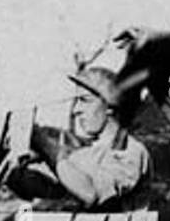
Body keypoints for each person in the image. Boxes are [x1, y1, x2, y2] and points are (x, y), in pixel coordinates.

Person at [8, 66, 152, 212]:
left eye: (85, 100)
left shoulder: (130, 151)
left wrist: (46, 146)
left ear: (109, 106)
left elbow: (91, 193)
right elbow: (55, 191)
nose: (76, 110)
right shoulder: (85, 150)